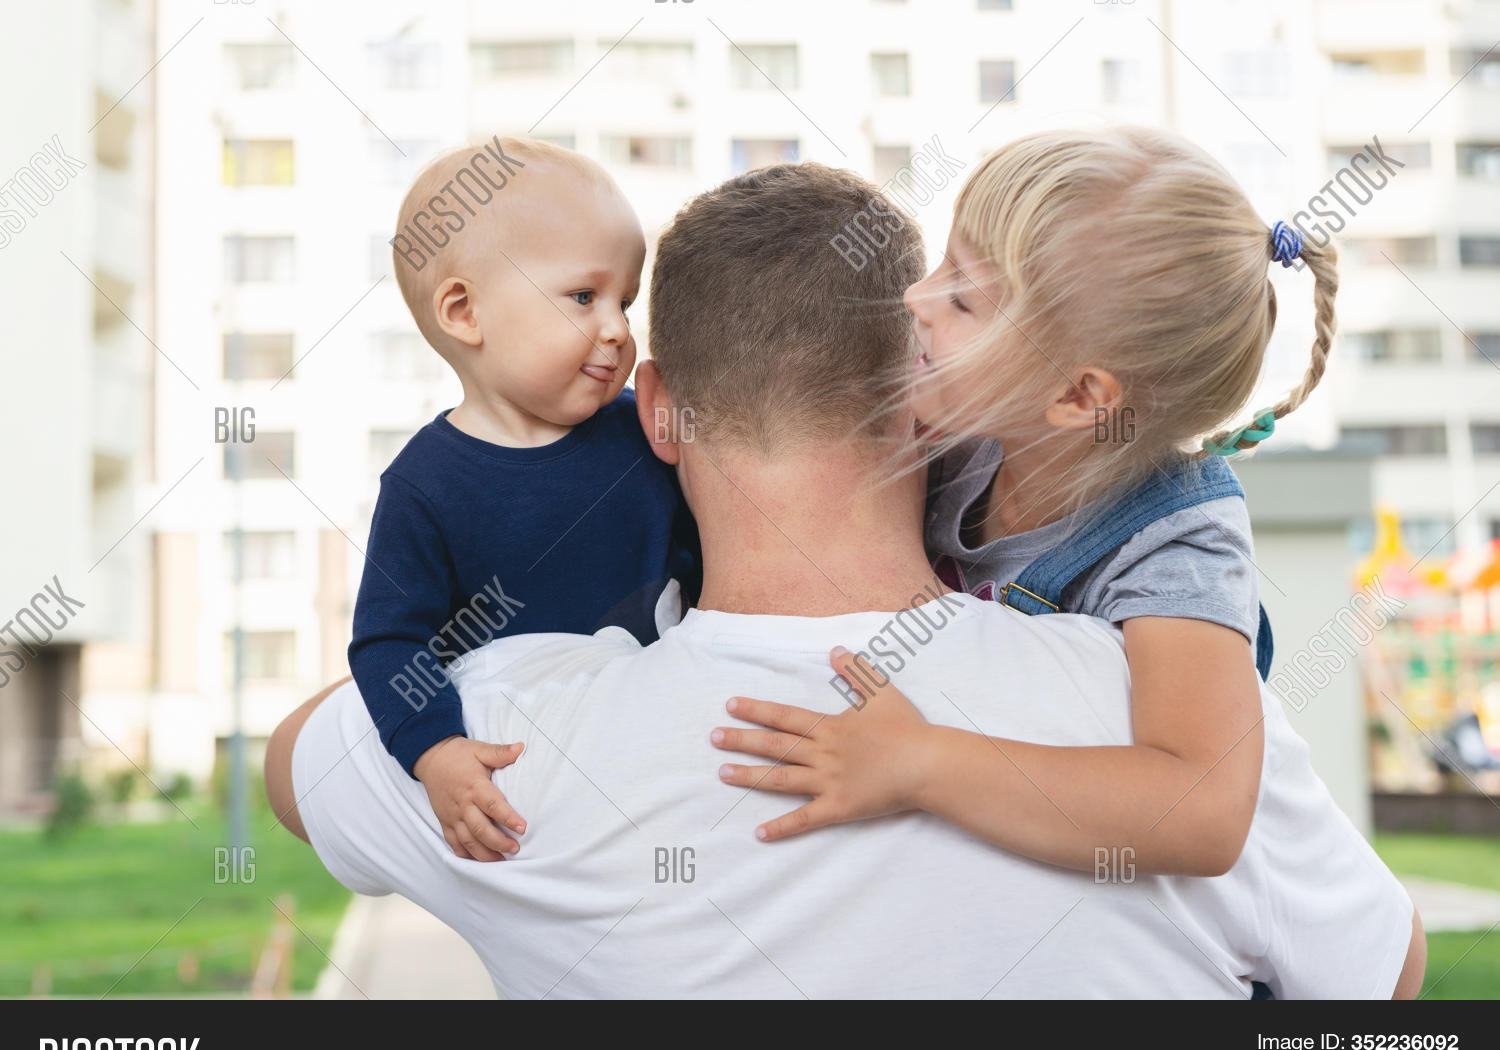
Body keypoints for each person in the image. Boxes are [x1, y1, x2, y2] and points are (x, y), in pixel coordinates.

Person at [266, 161, 1423, 999]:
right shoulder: (1157, 706)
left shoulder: (506, 731)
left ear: (658, 411)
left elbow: (294, 764)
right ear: (912, 396)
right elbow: (1388, 975)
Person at [719, 127, 1327, 876]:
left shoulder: (1179, 544)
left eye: (963, 296)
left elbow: (1203, 812)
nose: (916, 296)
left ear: (1078, 396)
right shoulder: (968, 438)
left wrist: (919, 763)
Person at [349, 137, 697, 863]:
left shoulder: (644, 435)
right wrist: (437, 751)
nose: (616, 329)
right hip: (544, 797)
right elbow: (390, 643)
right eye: (583, 296)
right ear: (464, 312)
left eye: (625, 303)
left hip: (674, 765)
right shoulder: (424, 486)